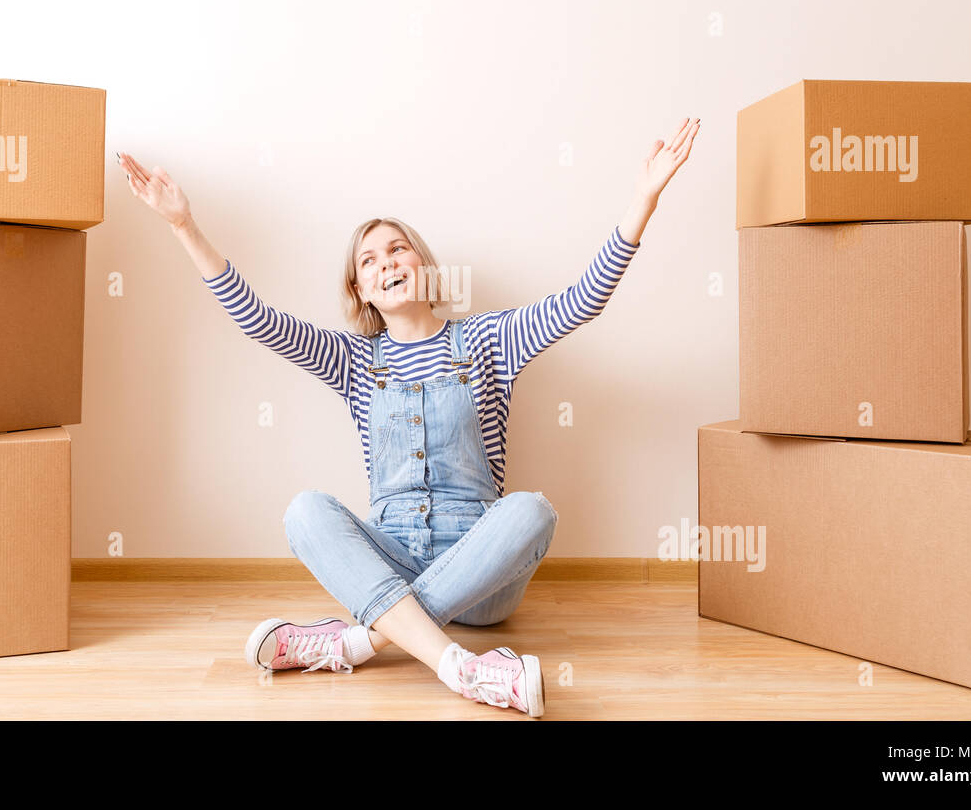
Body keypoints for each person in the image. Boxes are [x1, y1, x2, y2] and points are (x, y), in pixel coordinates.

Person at [119, 117, 699, 717]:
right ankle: (462, 669)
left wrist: (643, 200)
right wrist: (184, 225)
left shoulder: (490, 338)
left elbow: (584, 299)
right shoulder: (352, 360)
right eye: (368, 260)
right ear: (361, 289)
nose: (386, 262)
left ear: (424, 265)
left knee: (532, 511)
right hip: (387, 558)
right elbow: (259, 321)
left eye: (398, 248)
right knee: (304, 512)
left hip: (481, 576)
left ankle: (352, 644)